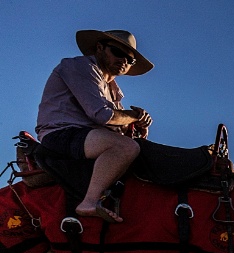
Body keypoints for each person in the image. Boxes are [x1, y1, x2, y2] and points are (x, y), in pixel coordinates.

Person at [36, 30, 155, 223]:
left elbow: (115, 123)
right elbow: (102, 115)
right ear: (99, 48)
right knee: (125, 147)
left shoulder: (113, 91)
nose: (124, 61)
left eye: (130, 60)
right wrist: (133, 116)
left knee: (135, 149)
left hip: (87, 137)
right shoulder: (80, 66)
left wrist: (136, 126)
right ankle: (89, 202)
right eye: (118, 52)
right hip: (61, 134)